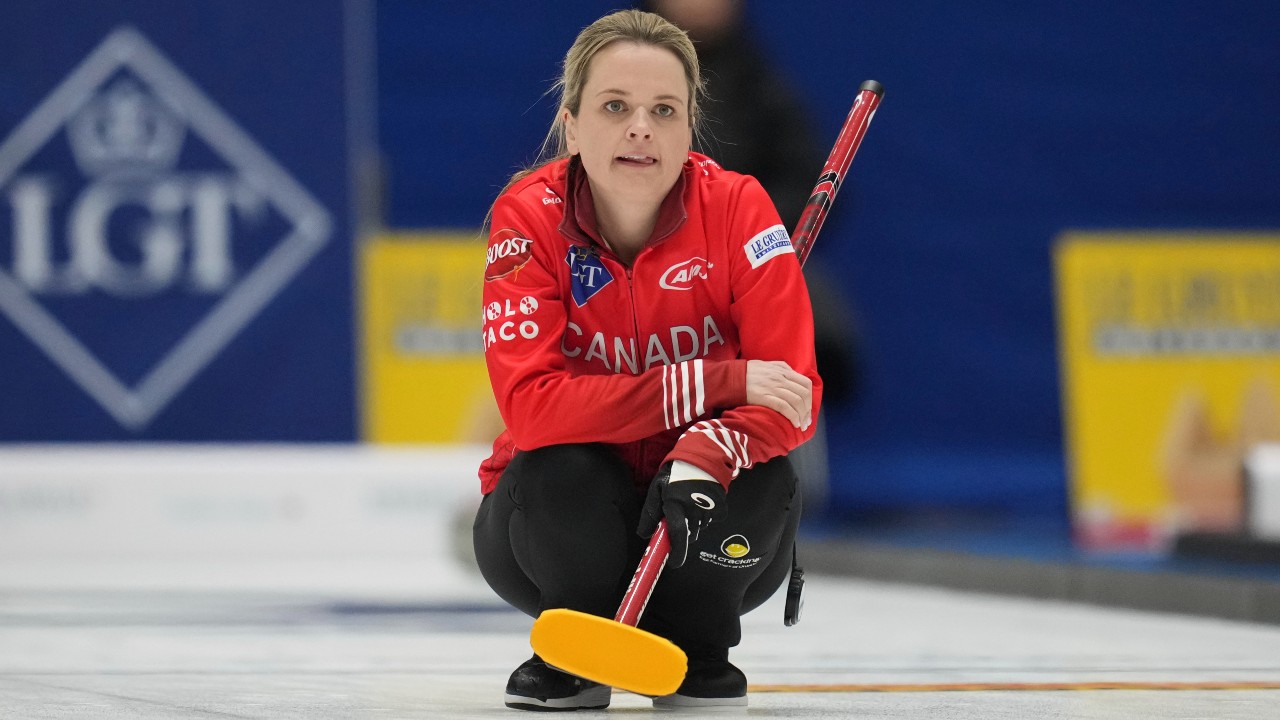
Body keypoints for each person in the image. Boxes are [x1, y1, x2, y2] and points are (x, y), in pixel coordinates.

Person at [473, 9, 821, 711]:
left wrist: (709, 448)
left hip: (705, 527)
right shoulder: (528, 216)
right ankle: (571, 645)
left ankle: (700, 645)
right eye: (615, 107)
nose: (641, 128)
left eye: (664, 110)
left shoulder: (742, 208)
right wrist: (719, 382)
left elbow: (794, 394)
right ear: (571, 126)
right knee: (561, 466)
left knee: (763, 475)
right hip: (548, 534)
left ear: (690, 128)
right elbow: (534, 410)